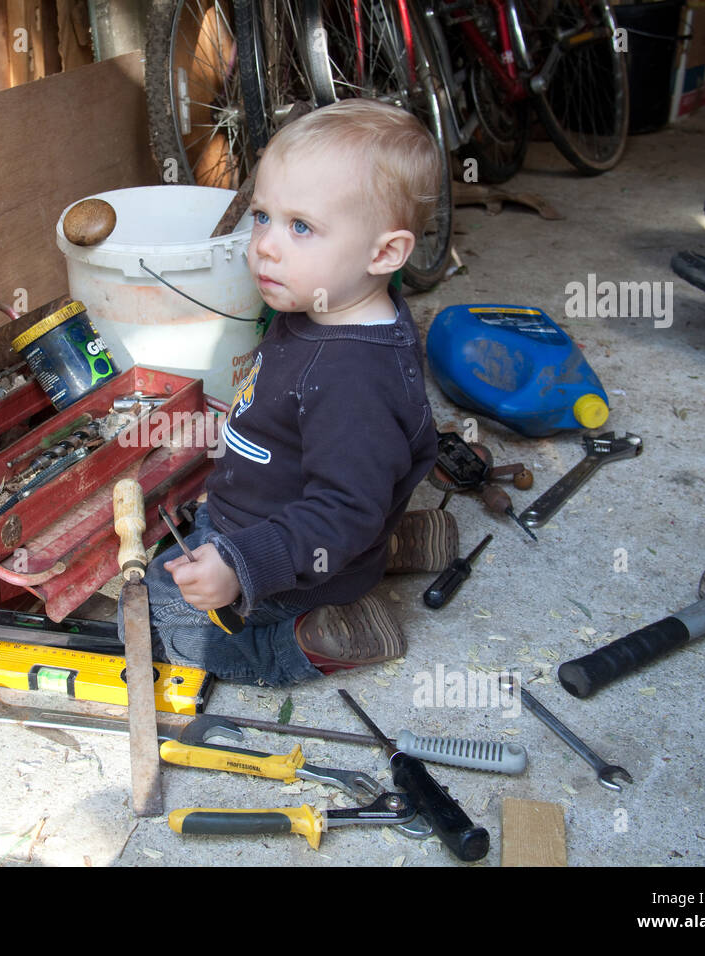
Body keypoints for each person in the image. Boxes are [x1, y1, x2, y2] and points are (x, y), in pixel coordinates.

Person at [138, 99, 452, 685]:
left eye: (301, 226)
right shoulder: (333, 302)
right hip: (304, 523)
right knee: (356, 508)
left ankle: (303, 643)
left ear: (385, 253)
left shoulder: (351, 375)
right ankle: (387, 546)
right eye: (262, 216)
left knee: (162, 608)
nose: (265, 246)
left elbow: (343, 506)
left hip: (287, 557)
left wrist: (239, 564)